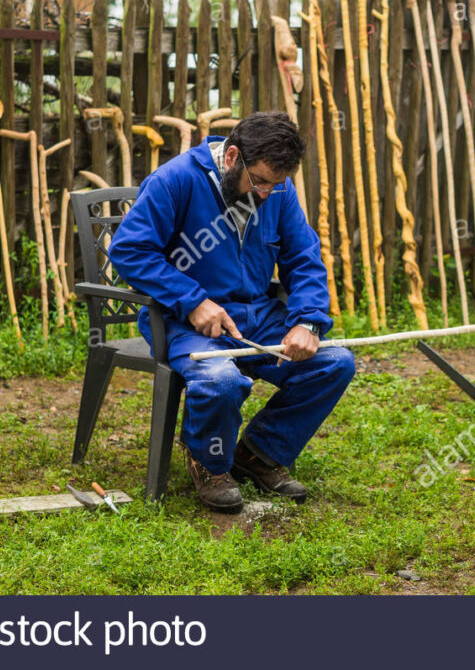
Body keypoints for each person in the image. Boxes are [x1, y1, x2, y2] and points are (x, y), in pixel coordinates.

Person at [108, 111, 356, 513]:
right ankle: (209, 462)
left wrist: (307, 320)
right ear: (232, 157)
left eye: (274, 186)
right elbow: (129, 251)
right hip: (182, 321)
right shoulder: (175, 180)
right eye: (258, 181)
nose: (264, 194)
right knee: (221, 379)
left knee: (334, 364)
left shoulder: (278, 190)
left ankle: (259, 454)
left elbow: (304, 258)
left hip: (257, 315)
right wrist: (192, 300)